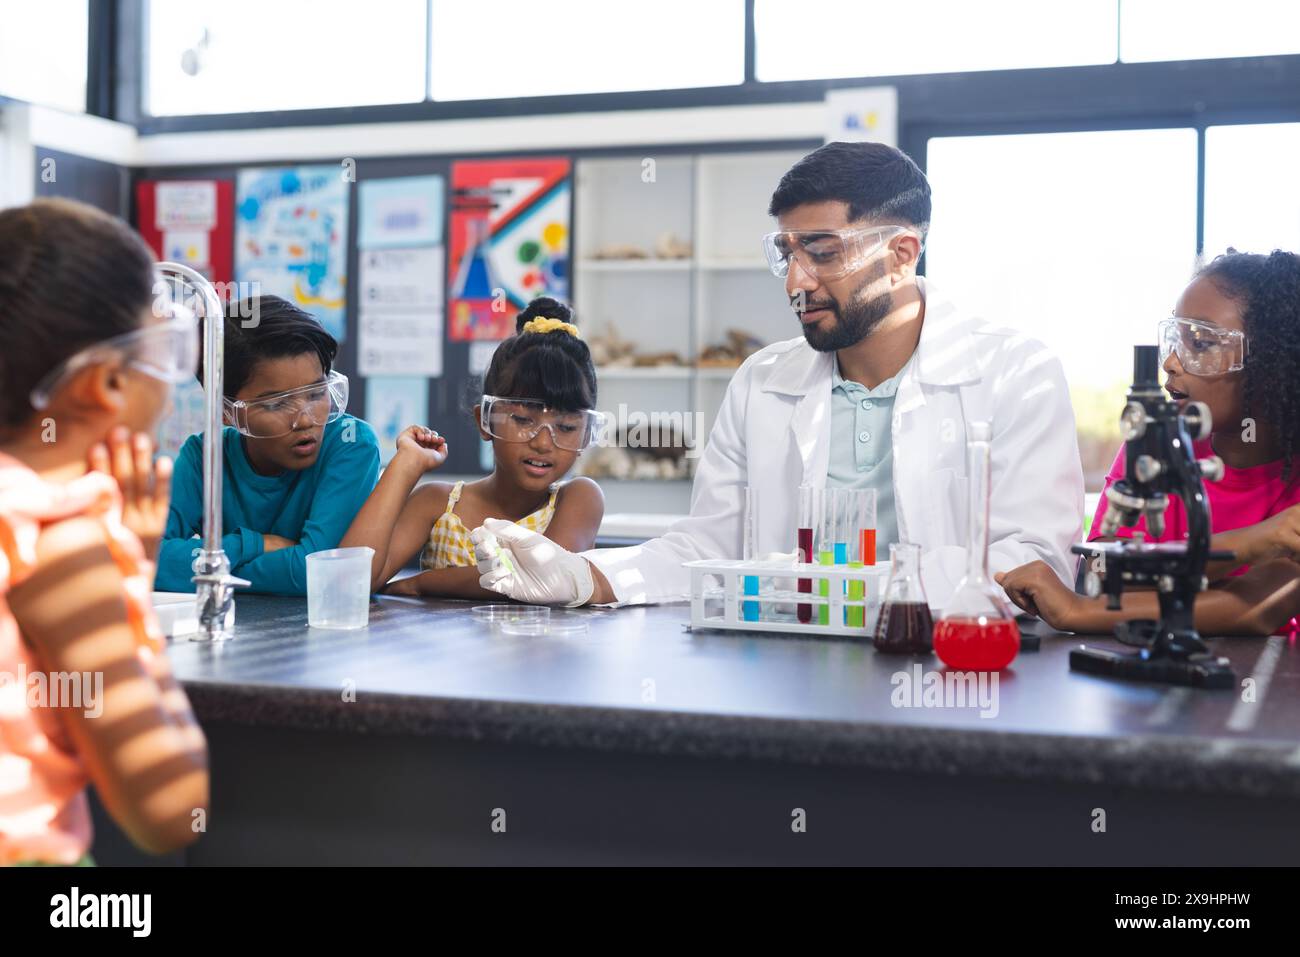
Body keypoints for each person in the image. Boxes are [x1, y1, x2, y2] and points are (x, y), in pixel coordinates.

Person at [473, 142, 1084, 609]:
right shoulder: (762, 381)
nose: (796, 282)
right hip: (786, 674)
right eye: (787, 254)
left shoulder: (1014, 373)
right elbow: (707, 549)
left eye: (822, 253)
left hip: (949, 671)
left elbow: (1035, 560)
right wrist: (583, 578)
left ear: (901, 253)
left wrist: (851, 588)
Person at [0, 198, 208, 863]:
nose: (174, 384)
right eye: (165, 350)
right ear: (108, 381)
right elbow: (175, 807)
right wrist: (131, 600)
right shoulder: (54, 539)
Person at [998, 250, 1300, 635]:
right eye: (1175, 339)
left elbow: (1260, 604)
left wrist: (1078, 613)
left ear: (1272, 365)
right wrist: (1252, 543)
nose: (1171, 362)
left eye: (1202, 344)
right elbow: (1101, 570)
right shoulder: (1156, 440)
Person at [340, 298, 605, 598]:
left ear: (586, 433)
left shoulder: (580, 498)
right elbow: (349, 581)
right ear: (484, 421)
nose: (543, 443)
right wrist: (405, 466)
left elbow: (547, 576)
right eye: (521, 419)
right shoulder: (437, 503)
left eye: (567, 428)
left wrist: (423, 582)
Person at [154, 295, 380, 595]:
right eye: (276, 403)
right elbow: (149, 559)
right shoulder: (204, 456)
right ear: (226, 411)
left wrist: (213, 567)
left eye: (316, 394)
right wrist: (256, 544)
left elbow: (313, 573)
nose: (305, 420)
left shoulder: (350, 443)